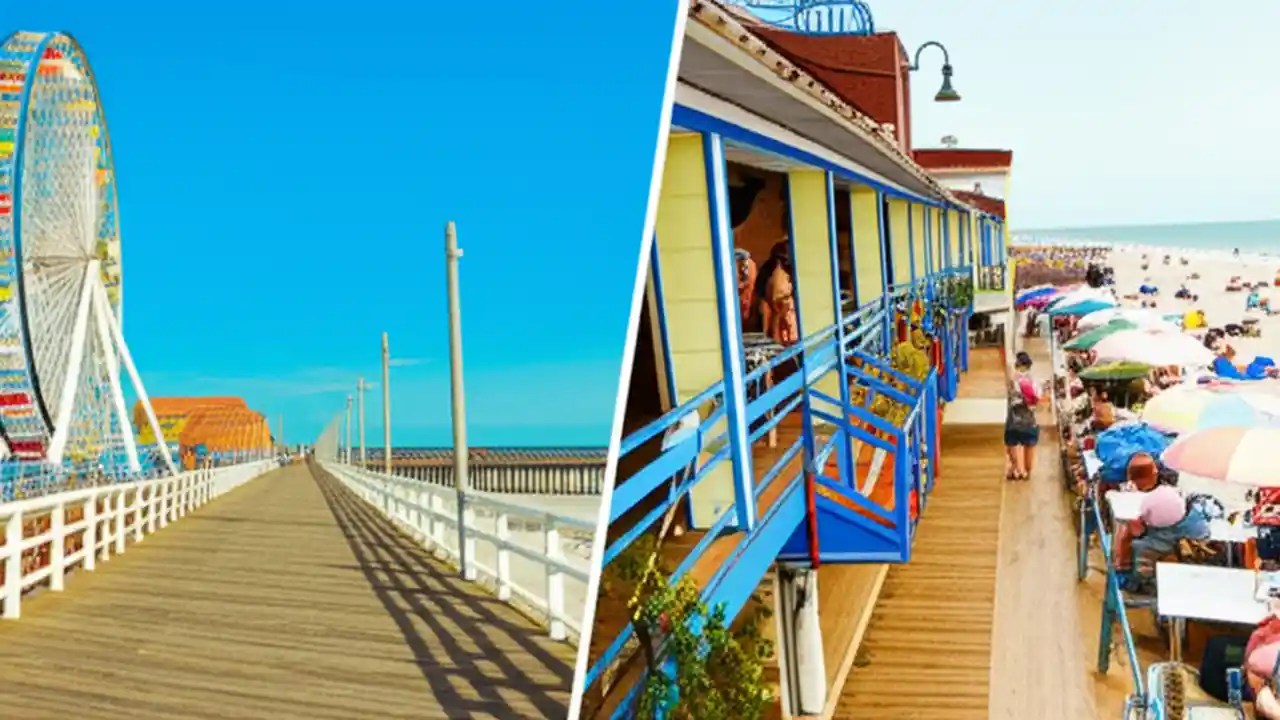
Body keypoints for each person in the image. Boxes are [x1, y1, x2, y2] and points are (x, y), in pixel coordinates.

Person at [1112, 455, 1211, 594]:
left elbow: (1138, 530)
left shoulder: (1150, 500)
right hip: (1193, 532)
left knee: (1132, 540)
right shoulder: (1171, 490)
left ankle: (1132, 579)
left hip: (1174, 537)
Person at [1004, 351, 1043, 481]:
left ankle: (1016, 468)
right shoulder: (1035, 381)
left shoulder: (1013, 379)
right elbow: (1038, 398)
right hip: (1029, 418)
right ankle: (1026, 472)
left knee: (1012, 443)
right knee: (1029, 444)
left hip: (1014, 416)